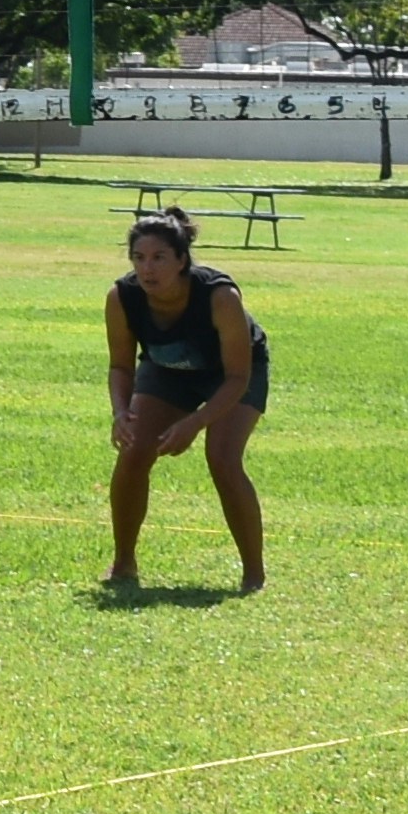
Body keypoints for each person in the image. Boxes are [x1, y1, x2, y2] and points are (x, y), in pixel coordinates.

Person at [101, 206, 269, 596]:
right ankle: (124, 562)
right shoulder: (122, 297)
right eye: (139, 258)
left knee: (223, 458)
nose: (148, 269)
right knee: (134, 450)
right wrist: (120, 411)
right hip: (168, 370)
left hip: (229, 375)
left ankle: (254, 575)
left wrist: (194, 423)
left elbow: (238, 377)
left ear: (181, 260)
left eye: (159, 258)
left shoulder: (220, 295)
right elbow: (120, 366)